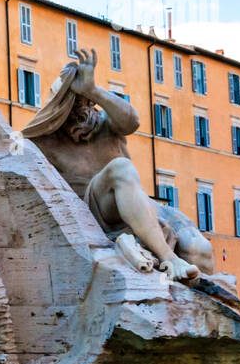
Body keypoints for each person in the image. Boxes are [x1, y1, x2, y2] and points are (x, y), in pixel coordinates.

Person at [21, 49, 213, 281]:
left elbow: (132, 120)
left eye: (85, 101)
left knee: (199, 248)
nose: (82, 108)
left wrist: (94, 90)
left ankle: (207, 293)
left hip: (139, 204)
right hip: (94, 213)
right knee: (120, 168)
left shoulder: (107, 124)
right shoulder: (44, 142)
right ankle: (169, 259)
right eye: (74, 101)